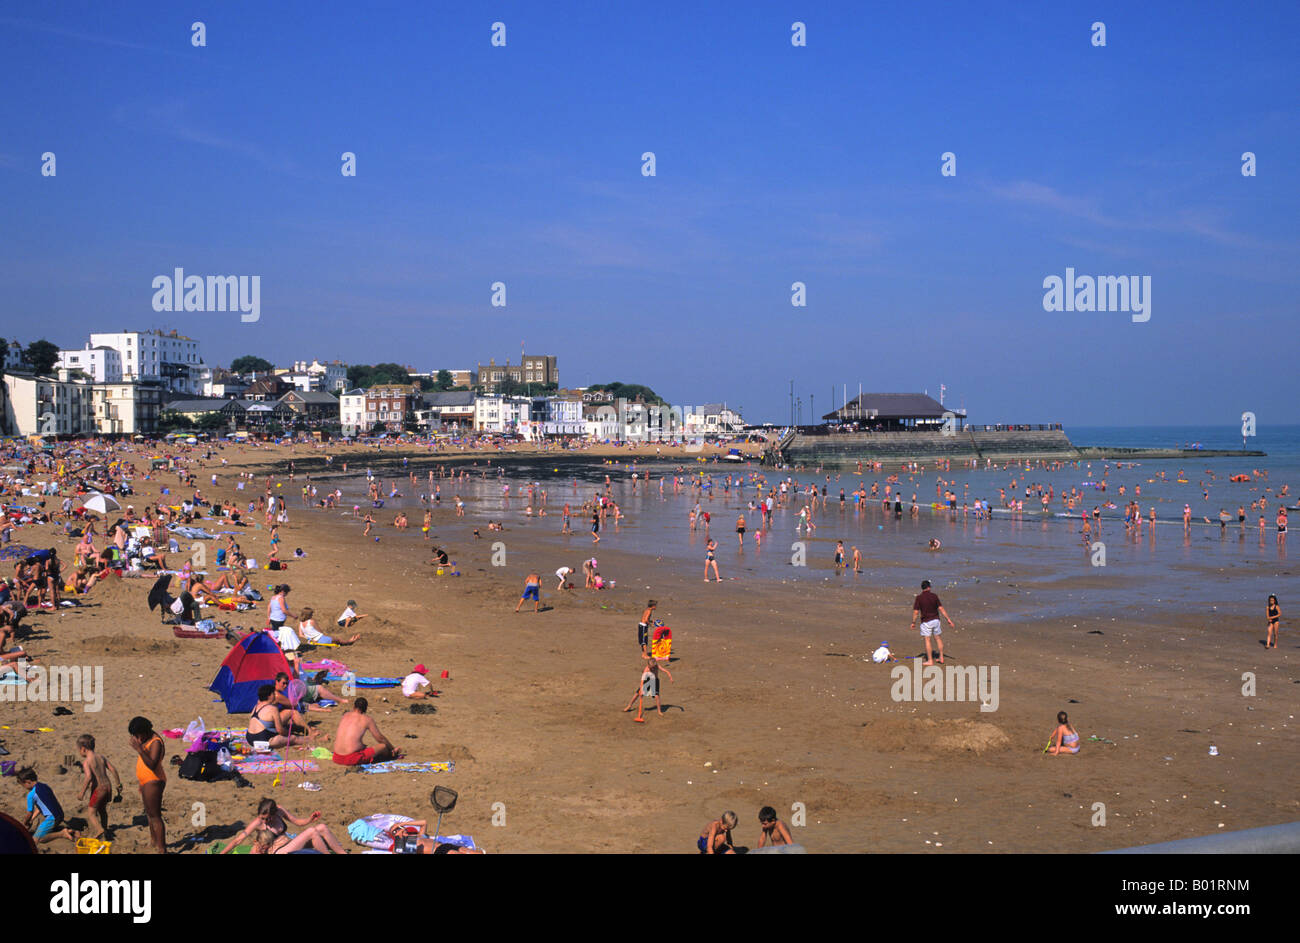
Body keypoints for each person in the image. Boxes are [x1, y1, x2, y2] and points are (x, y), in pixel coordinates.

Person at [219, 798, 346, 854]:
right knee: (312, 832)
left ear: (274, 814)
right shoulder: (258, 823)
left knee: (322, 827)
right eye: (262, 818)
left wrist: (310, 819)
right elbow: (238, 840)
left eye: (267, 818)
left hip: (290, 844)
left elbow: (297, 822)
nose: (264, 821)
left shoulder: (279, 811)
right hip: (278, 851)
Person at [128, 716, 167, 853]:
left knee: (155, 816)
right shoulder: (147, 739)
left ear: (144, 731)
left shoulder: (156, 742)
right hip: (146, 782)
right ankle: (153, 842)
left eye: (138, 735)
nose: (137, 739)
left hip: (154, 781)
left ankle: (162, 849)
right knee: (149, 814)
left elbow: (152, 764)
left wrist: (139, 749)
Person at [76, 734, 122, 839]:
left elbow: (88, 777)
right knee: (102, 810)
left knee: (91, 813)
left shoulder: (87, 762)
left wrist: (82, 792)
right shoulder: (101, 757)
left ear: (83, 749)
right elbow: (113, 769)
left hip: (99, 789)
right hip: (108, 786)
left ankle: (99, 829)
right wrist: (118, 784)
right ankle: (105, 828)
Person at [18, 767, 78, 844]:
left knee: (36, 840)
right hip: (60, 815)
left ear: (27, 782)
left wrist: (25, 823)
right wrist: (32, 819)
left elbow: (29, 813)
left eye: (23, 785)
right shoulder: (45, 786)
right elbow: (41, 807)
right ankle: (71, 831)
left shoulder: (31, 795)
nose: (24, 788)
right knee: (45, 831)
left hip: (52, 819)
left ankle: (62, 833)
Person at [332, 697, 399, 766]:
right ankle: (392, 754)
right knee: (383, 746)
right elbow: (380, 738)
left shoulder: (345, 715)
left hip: (336, 757)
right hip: (352, 759)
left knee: (363, 747)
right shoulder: (367, 719)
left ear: (354, 706)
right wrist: (392, 748)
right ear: (365, 709)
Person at [911, 579, 954, 666]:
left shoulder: (919, 598)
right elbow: (941, 608)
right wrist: (948, 620)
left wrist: (913, 622)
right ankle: (941, 657)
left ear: (922, 588)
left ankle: (930, 660)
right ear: (929, 587)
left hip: (926, 621)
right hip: (936, 620)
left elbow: (916, 612)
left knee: (927, 640)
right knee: (938, 638)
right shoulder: (934, 596)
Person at [384, 820, 485, 854]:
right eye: (395, 831)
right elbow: (397, 852)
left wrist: (403, 823)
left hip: (446, 845)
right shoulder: (404, 844)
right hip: (439, 851)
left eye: (399, 827)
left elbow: (424, 822)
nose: (399, 829)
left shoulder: (419, 835)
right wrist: (399, 838)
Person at [247, 684, 292, 750]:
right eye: (274, 693)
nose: (275, 695)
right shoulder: (273, 709)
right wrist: (289, 733)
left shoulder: (256, 706)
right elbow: (280, 730)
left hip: (250, 739)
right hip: (263, 739)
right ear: (270, 696)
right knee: (294, 738)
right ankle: (309, 738)